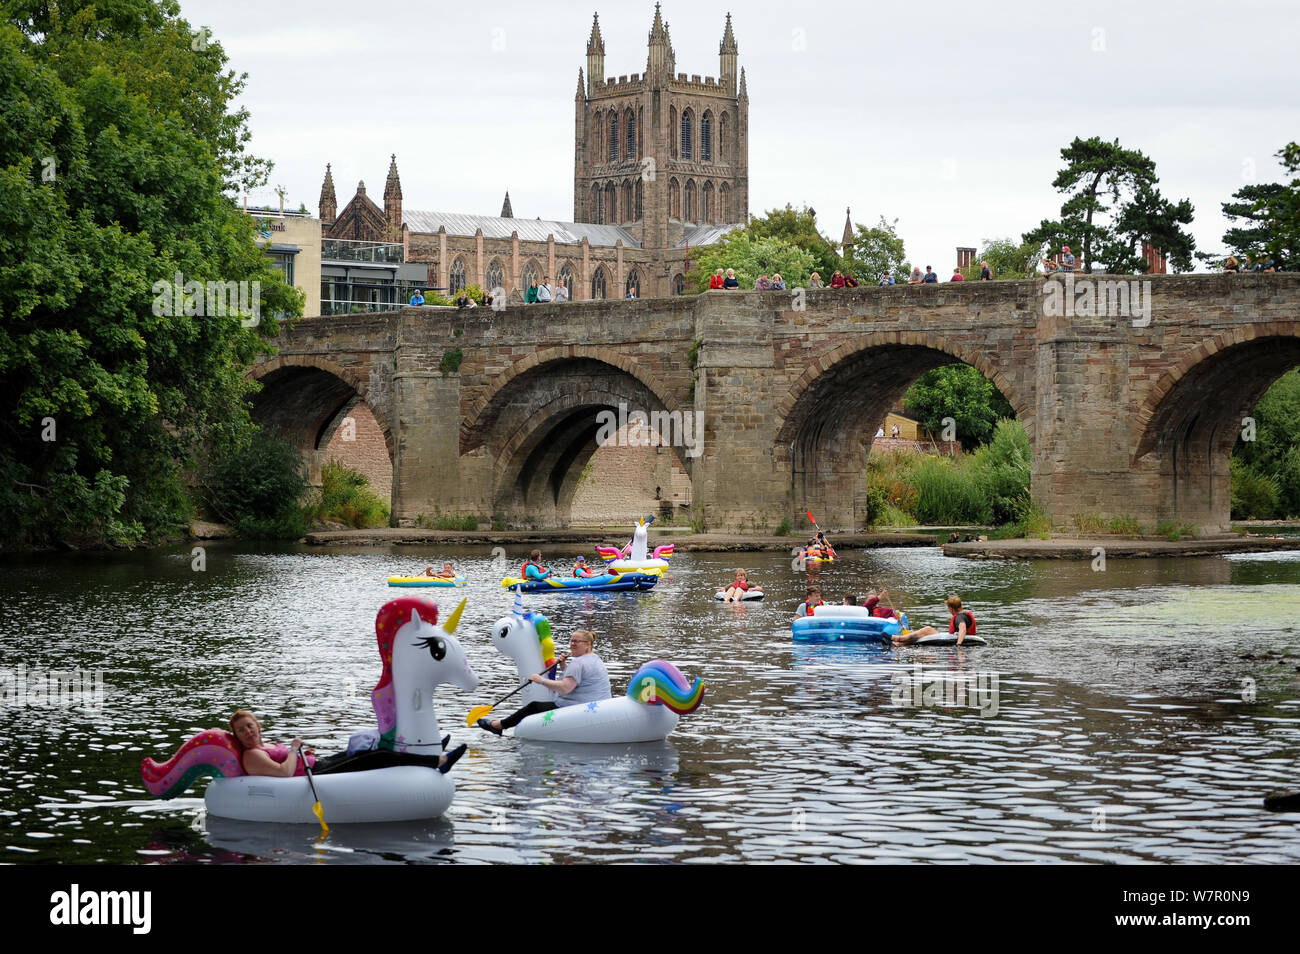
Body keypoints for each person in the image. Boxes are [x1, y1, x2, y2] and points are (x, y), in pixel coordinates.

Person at [231, 709, 465, 775]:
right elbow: (284, 772)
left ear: (257, 726)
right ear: (238, 736)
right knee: (376, 757)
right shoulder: (251, 755)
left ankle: (423, 751)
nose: (247, 732)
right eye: (241, 731)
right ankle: (438, 761)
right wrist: (293, 750)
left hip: (317, 763)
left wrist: (302, 751)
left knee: (368, 747)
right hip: (315, 775)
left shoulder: (265, 745)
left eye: (249, 726)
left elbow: (289, 759)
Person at [477, 630, 610, 734]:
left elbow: (565, 688)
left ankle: (498, 725)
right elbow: (576, 681)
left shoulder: (579, 662)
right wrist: (563, 665)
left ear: (588, 644)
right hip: (594, 704)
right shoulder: (595, 659)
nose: (573, 644)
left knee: (534, 706)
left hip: (577, 708)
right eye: (571, 641)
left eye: (577, 641)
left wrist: (541, 680)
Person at [892, 595, 975, 646]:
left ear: (952, 608)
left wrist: (959, 644)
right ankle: (900, 644)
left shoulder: (960, 617)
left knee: (927, 630)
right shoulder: (964, 615)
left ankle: (899, 638)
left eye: (948, 608)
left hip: (952, 639)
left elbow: (963, 628)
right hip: (952, 636)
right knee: (925, 634)